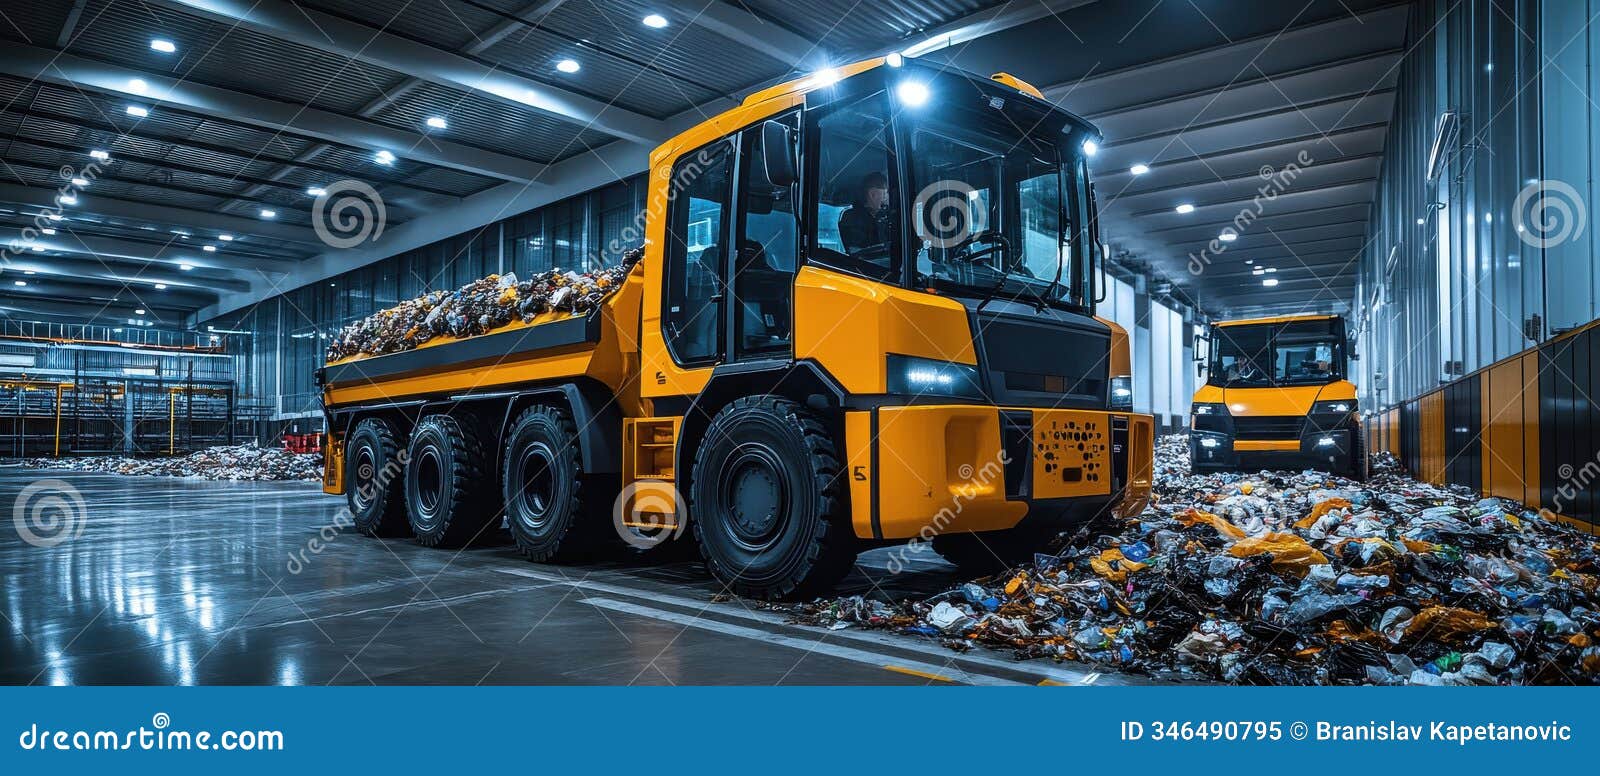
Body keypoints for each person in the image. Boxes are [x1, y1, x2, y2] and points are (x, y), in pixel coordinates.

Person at [837, 171, 889, 255]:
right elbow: (862, 251)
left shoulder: (881, 216)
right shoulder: (852, 219)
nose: (887, 198)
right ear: (872, 194)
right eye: (885, 193)